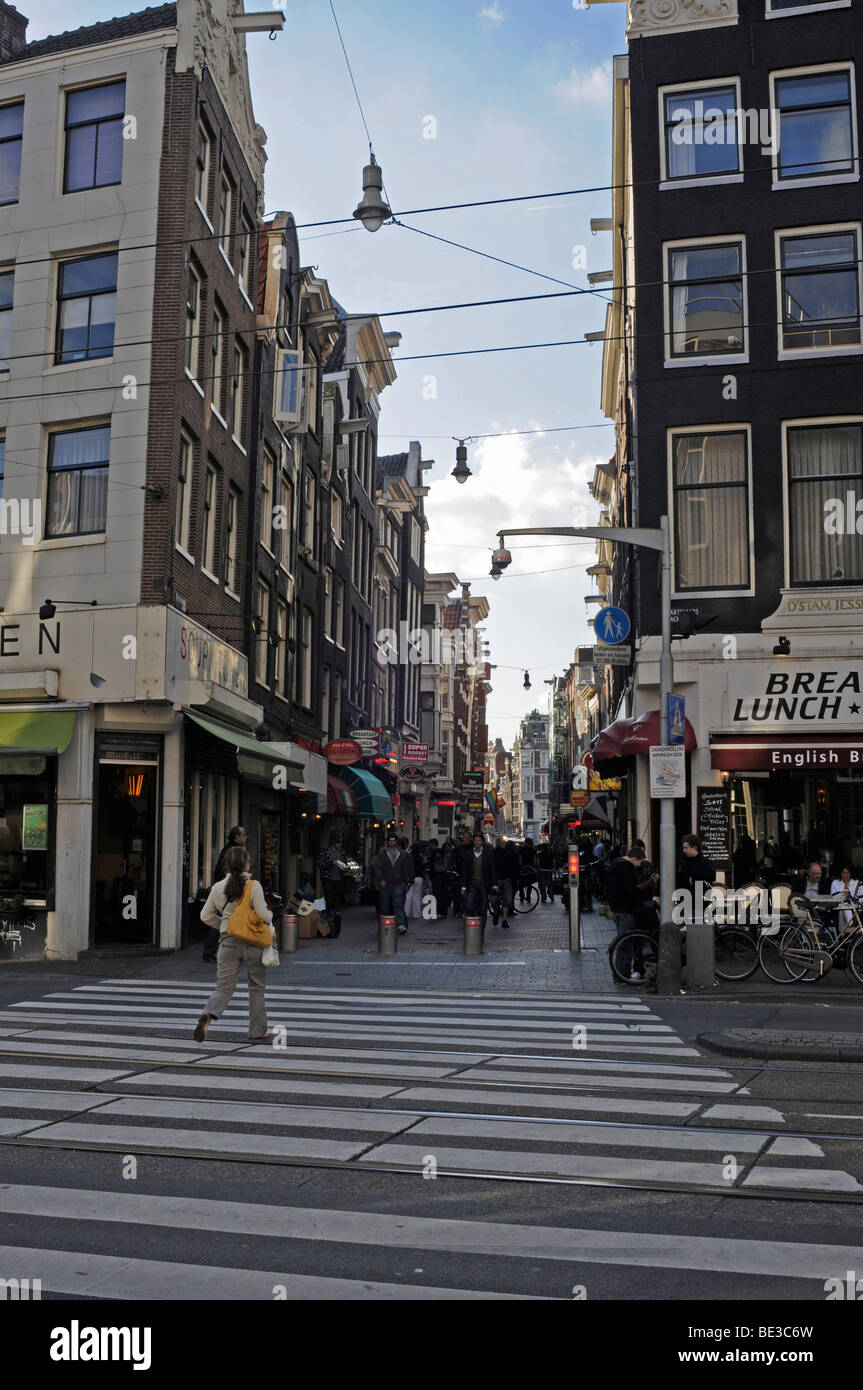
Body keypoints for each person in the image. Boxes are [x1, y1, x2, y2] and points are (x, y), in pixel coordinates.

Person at [194, 847, 273, 1042]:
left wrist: (224, 925)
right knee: (256, 987)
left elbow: (205, 916)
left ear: (228, 864)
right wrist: (270, 917)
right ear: (247, 863)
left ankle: (208, 1014)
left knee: (224, 986)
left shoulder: (218, 887)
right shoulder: (254, 886)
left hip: (228, 941)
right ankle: (257, 1031)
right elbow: (263, 914)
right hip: (253, 942)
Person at [203, 826, 248, 962]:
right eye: (243, 835)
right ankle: (210, 952)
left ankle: (217, 951)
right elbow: (225, 870)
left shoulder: (231, 849)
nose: (246, 837)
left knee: (225, 918)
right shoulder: (233, 851)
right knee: (224, 918)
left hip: (227, 888)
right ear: (236, 837)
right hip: (229, 890)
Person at [605, 846, 649, 981]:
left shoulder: (614, 864)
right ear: (635, 859)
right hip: (626, 909)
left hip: (616, 908)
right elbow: (631, 889)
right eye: (640, 863)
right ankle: (622, 975)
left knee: (622, 940)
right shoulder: (627, 867)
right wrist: (643, 902)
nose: (639, 866)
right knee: (627, 943)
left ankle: (620, 973)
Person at [373, 833, 413, 934]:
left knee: (398, 904)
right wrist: (381, 879)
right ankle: (384, 926)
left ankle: (400, 925)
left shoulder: (402, 854)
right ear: (387, 842)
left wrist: (406, 882)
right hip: (386, 883)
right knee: (384, 905)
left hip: (398, 883)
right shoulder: (382, 854)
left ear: (396, 842)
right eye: (390, 840)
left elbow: (404, 869)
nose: (392, 842)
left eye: (393, 840)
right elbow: (378, 868)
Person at [460, 831, 499, 932]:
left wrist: (494, 884)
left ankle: (481, 932)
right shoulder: (468, 854)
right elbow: (464, 871)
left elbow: (492, 869)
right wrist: (463, 886)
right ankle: (472, 922)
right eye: (475, 840)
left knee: (483, 908)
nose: (477, 842)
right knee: (468, 905)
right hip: (472, 883)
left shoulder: (488, 854)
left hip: (483, 884)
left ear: (482, 842)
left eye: (479, 840)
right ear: (473, 841)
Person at [318, 835, 348, 935]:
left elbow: (345, 863)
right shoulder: (325, 851)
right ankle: (328, 917)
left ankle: (335, 919)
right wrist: (332, 862)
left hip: (339, 878)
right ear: (333, 843)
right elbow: (321, 865)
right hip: (328, 878)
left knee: (337, 898)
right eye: (338, 842)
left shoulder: (342, 852)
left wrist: (344, 867)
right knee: (329, 898)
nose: (340, 844)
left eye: (341, 843)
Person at [493, 835, 517, 928]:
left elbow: (514, 866)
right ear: (498, 843)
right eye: (501, 842)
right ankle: (496, 913)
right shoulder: (494, 853)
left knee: (507, 900)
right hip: (496, 880)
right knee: (494, 900)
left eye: (504, 843)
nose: (503, 844)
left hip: (507, 879)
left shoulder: (509, 853)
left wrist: (514, 878)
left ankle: (504, 920)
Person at [535, 836, 554, 904]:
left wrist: (538, 868)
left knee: (542, 885)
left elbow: (537, 862)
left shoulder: (539, 854)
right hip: (549, 870)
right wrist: (553, 868)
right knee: (550, 883)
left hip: (542, 870)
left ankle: (544, 897)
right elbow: (553, 861)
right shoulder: (551, 854)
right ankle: (551, 896)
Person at [518, 836, 535, 904]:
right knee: (529, 884)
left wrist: (520, 866)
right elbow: (534, 860)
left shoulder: (521, 849)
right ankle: (528, 897)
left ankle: (522, 896)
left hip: (523, 868)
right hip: (530, 868)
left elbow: (520, 858)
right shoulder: (533, 850)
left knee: (521, 884)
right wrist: (533, 867)